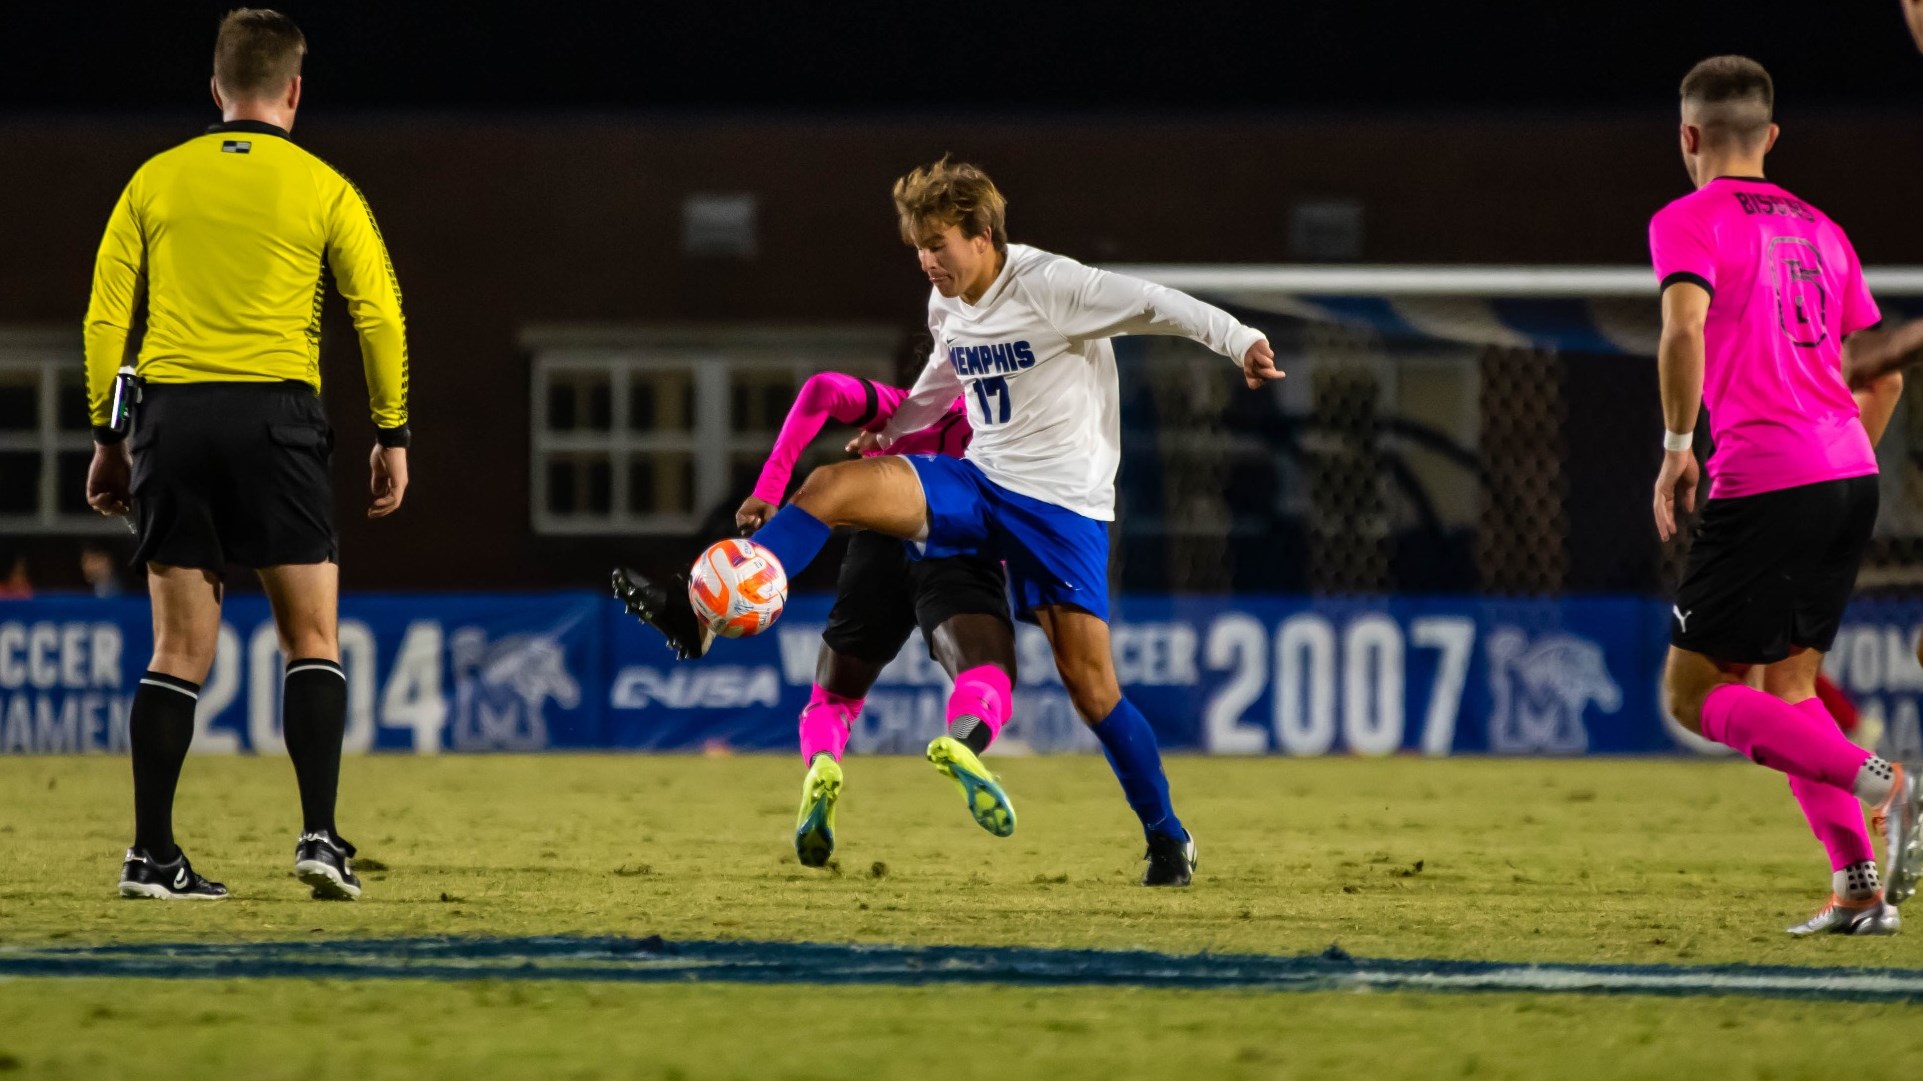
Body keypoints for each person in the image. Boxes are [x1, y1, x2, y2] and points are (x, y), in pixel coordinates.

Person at [616, 157, 1280, 886]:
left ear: (984, 234)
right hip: (979, 482)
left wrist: (1239, 339)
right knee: (833, 484)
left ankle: (1165, 836)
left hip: (1062, 510)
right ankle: (710, 600)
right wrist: (894, 426)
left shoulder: (1053, 285)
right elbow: (943, 375)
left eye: (939, 243)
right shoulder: (948, 303)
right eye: (919, 247)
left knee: (1091, 690)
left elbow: (1157, 304)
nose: (928, 261)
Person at [83, 9, 410, 901]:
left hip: (172, 423)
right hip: (278, 419)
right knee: (310, 636)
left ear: (217, 89)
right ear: (295, 90)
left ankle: (151, 853)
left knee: (177, 649)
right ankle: (318, 838)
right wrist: (393, 432)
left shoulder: (154, 180)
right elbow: (377, 313)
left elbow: (107, 318)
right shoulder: (325, 186)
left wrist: (108, 438)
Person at [1648, 56, 1921, 935]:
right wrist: (1837, 463)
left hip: (1766, 475)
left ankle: (1884, 781)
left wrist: (1676, 447)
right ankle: (1855, 888)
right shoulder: (1824, 230)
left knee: (1691, 694)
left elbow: (1681, 328)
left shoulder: (1686, 221)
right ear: (1770, 137)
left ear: (1687, 138)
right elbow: (1881, 380)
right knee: (1789, 683)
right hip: (1847, 470)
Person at [702, 367, 1015, 867]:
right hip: (963, 547)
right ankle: (962, 744)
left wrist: (771, 485)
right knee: (986, 676)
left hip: (881, 542)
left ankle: (823, 763)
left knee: (835, 697)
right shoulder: (1009, 423)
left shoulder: (906, 408)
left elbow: (823, 389)